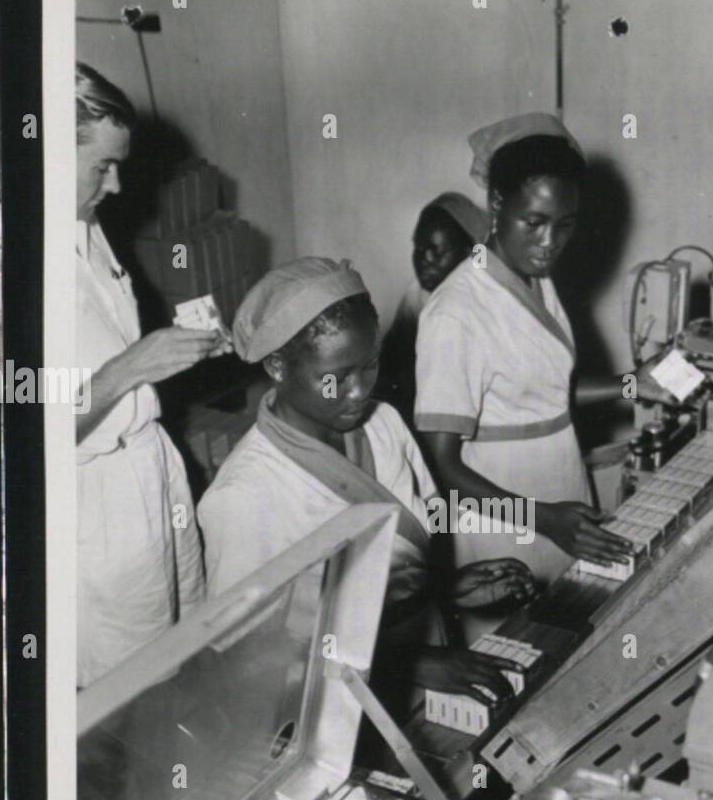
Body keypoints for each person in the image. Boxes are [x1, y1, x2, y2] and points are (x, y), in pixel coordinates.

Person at [197, 257, 537, 715]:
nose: (358, 392)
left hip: (430, 663)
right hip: (334, 707)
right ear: (277, 366)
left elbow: (409, 540)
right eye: (335, 379)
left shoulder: (384, 424)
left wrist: (442, 589)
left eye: (370, 365)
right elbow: (246, 657)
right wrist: (406, 662)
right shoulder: (244, 495)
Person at [414, 112, 639, 586]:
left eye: (565, 225)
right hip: (504, 520)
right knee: (518, 645)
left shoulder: (535, 278)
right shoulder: (456, 311)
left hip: (562, 494)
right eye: (534, 222)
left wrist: (636, 384)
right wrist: (545, 520)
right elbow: (443, 465)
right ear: (497, 202)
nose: (549, 243)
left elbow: (546, 391)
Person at [75, 62, 219, 688]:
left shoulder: (88, 230)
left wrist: (180, 354)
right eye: (100, 166)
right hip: (95, 500)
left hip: (152, 472)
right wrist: (134, 367)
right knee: (125, 692)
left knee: (183, 654)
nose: (115, 184)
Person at [377, 192, 488, 424]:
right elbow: (391, 365)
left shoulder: (486, 300)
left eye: (438, 250)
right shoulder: (416, 294)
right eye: (419, 247)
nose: (425, 258)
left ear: (470, 254)